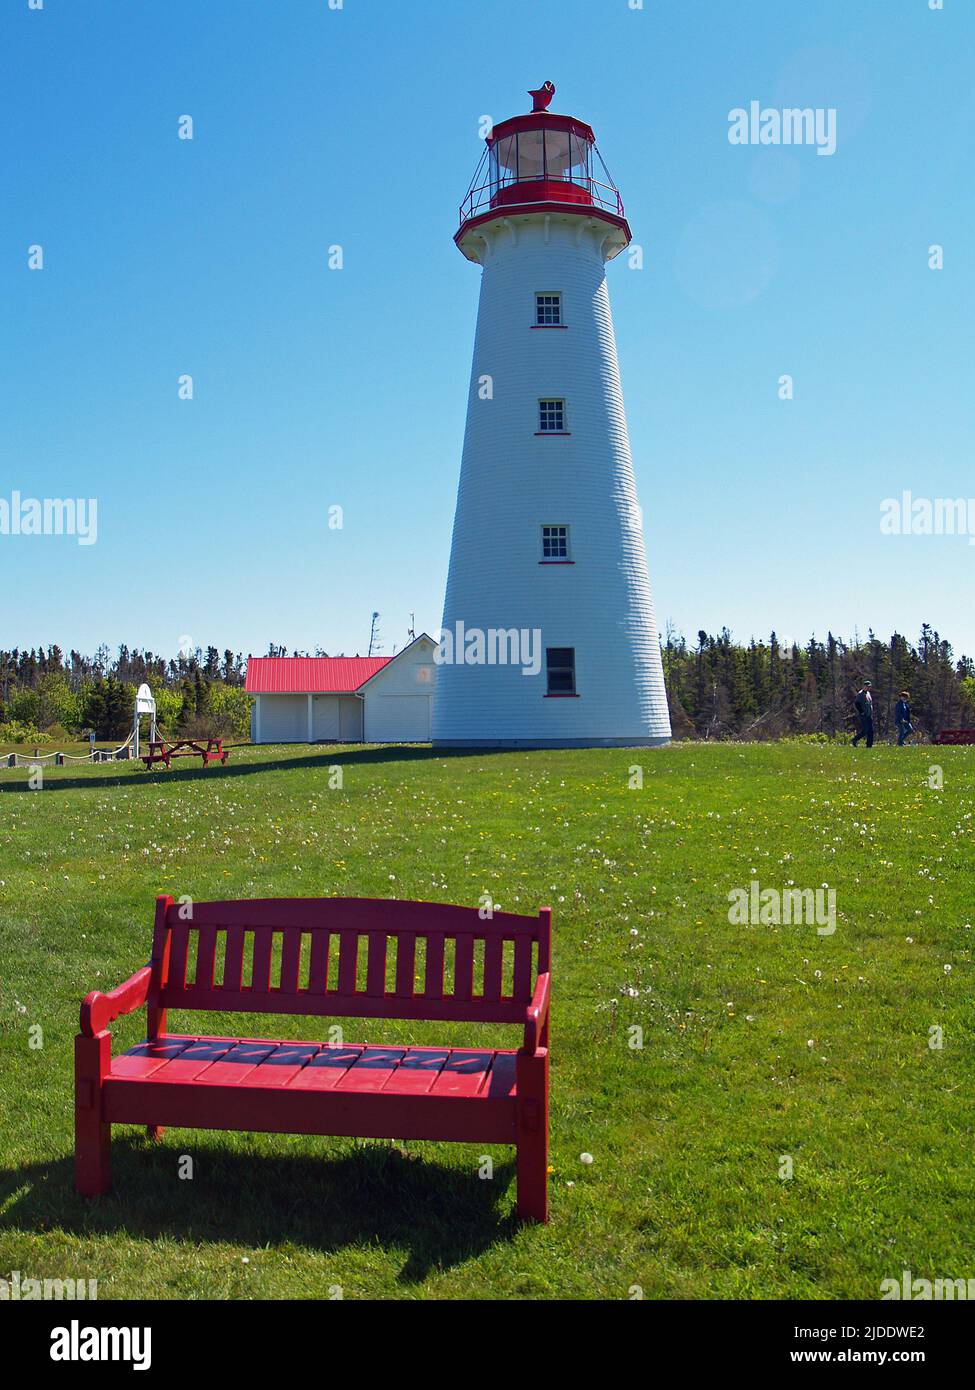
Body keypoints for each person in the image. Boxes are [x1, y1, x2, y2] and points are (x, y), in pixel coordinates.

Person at [852, 680, 874, 747]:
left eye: (869, 686)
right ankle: (855, 739)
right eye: (867, 686)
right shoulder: (860, 694)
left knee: (871, 731)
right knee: (865, 730)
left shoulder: (868, 693)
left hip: (869, 715)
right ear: (864, 686)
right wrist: (861, 712)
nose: (868, 688)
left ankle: (869, 745)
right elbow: (856, 704)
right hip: (864, 715)